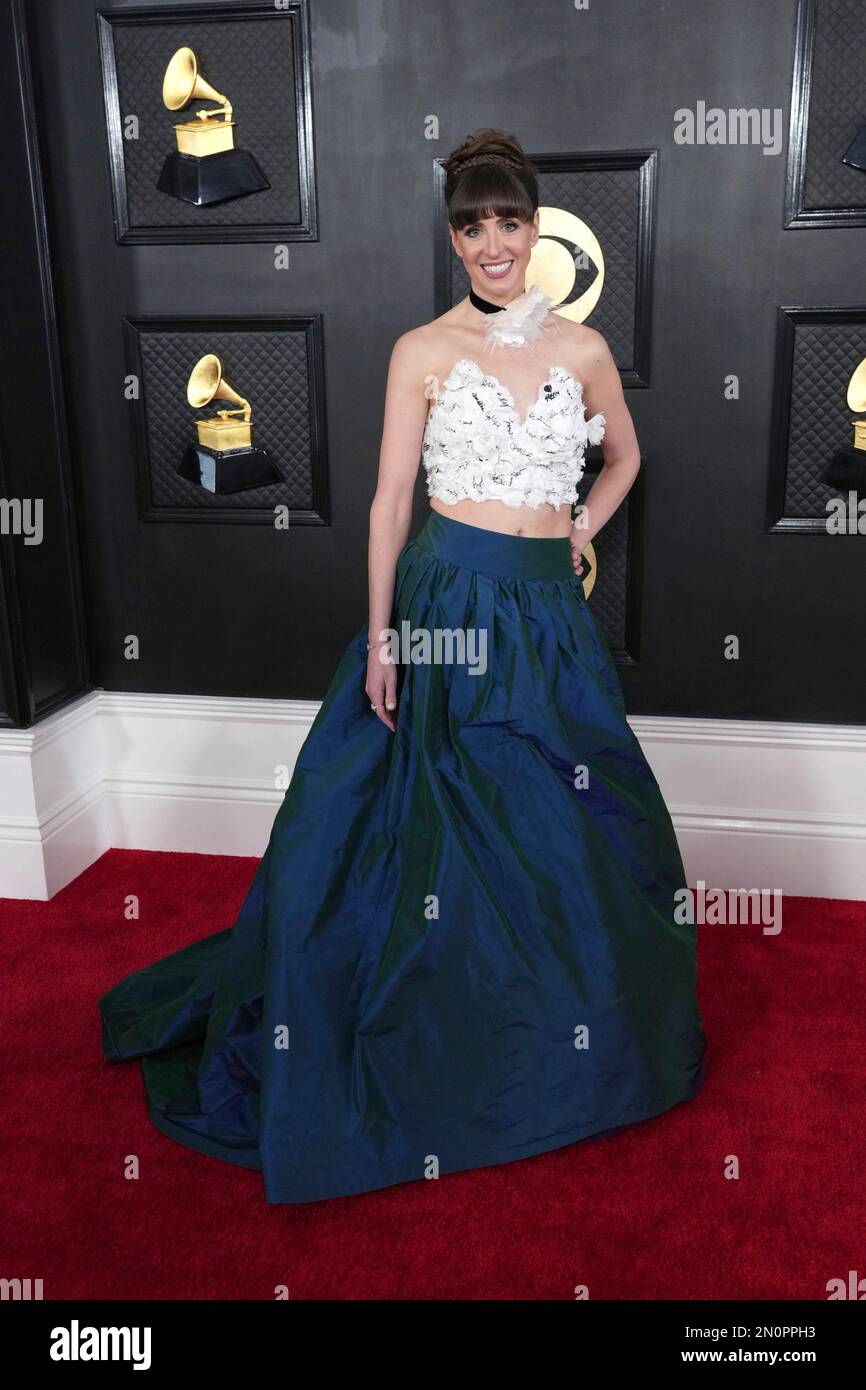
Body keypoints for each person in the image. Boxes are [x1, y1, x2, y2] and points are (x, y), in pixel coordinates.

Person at [99, 127, 707, 1205]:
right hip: (444, 601)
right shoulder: (420, 350)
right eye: (471, 227)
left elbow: (626, 453)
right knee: (432, 819)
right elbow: (386, 503)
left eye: (506, 223)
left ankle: (559, 1034)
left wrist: (579, 530)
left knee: (564, 820)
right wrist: (380, 636)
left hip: (541, 611)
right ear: (453, 237)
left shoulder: (582, 351)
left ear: (536, 230)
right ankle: (438, 1028)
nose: (490, 244)